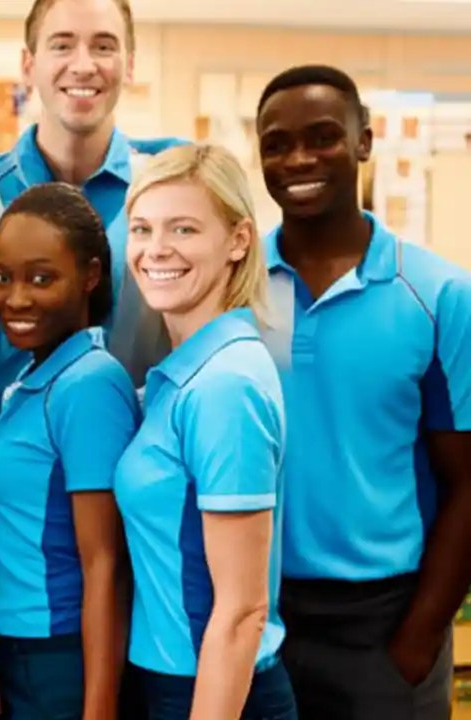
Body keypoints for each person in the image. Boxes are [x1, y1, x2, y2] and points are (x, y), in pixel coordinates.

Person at [255, 65, 471, 720]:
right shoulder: (234, 290)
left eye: (322, 137)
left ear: (364, 143)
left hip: (384, 626)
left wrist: (416, 641)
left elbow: (468, 479)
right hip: (259, 620)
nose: (298, 159)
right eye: (276, 143)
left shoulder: (437, 294)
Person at [0, 0, 184, 417]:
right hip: (20, 462)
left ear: (129, 65)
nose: (83, 65)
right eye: (62, 46)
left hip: (144, 460)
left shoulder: (168, 186)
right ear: (28, 65)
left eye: (103, 46)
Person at [114, 144, 295, 718]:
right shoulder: (181, 374)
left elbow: (244, 612)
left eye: (184, 229)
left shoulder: (224, 385)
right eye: (141, 228)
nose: (156, 249)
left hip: (211, 688)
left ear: (239, 241)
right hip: (168, 677)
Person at [0, 182, 136, 718]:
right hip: (21, 649)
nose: (16, 299)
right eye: (1, 278)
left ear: (90, 276)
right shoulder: (36, 376)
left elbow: (105, 565)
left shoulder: (88, 385)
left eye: (41, 278)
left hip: (62, 655)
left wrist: (98, 707)